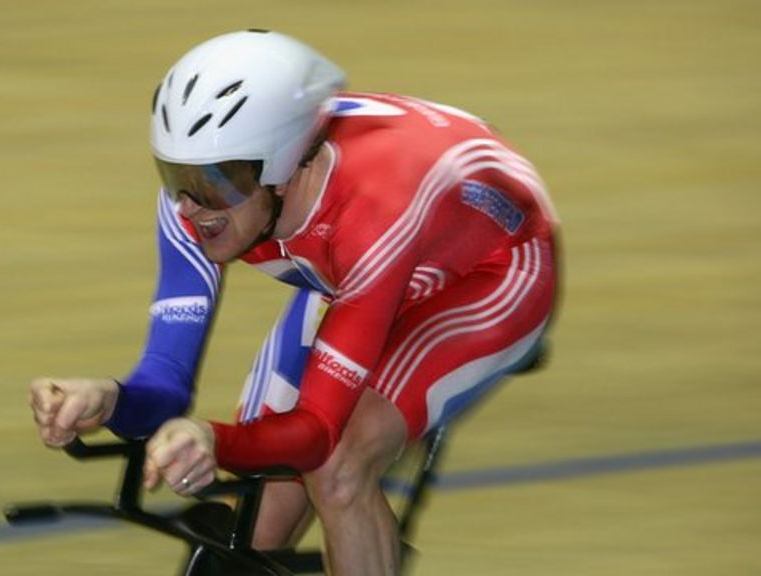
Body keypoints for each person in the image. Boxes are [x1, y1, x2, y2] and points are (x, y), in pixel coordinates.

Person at [30, 29, 560, 575]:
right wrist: (110, 399)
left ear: (283, 167)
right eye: (176, 177)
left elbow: (315, 434)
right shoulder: (202, 200)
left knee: (337, 470)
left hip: (489, 273)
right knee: (253, 525)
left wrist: (212, 438)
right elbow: (165, 386)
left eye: (218, 185)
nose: (193, 209)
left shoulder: (374, 213)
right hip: (353, 268)